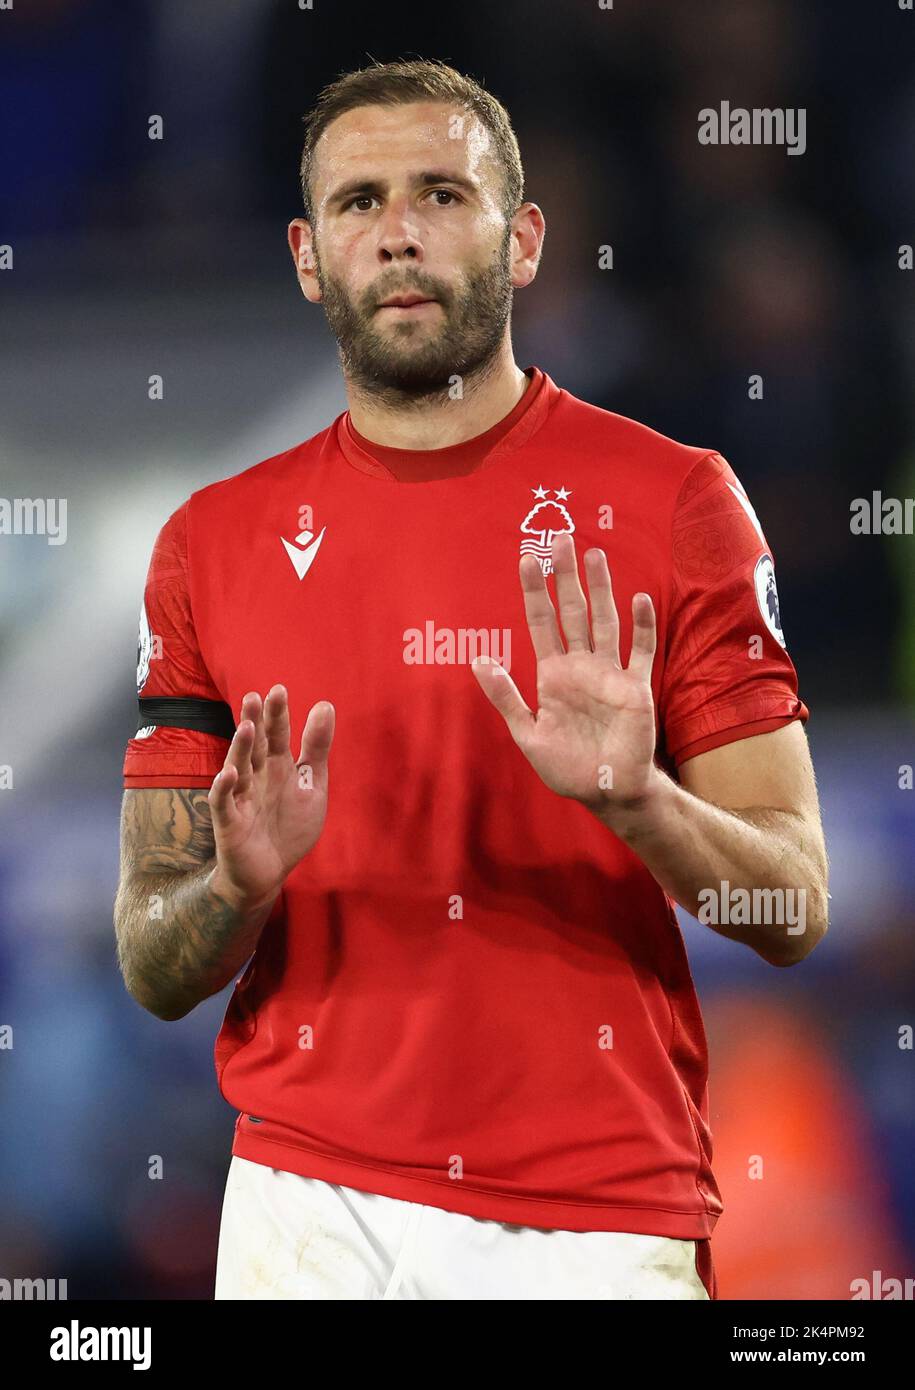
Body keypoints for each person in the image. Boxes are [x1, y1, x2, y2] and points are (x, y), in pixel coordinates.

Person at [113, 58, 828, 1301]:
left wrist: (640, 803)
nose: (398, 232)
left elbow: (795, 909)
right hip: (300, 1202)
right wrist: (234, 884)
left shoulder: (676, 501)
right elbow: (153, 962)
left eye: (443, 193)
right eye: (359, 202)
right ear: (304, 251)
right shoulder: (207, 545)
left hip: (592, 1214)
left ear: (527, 237)